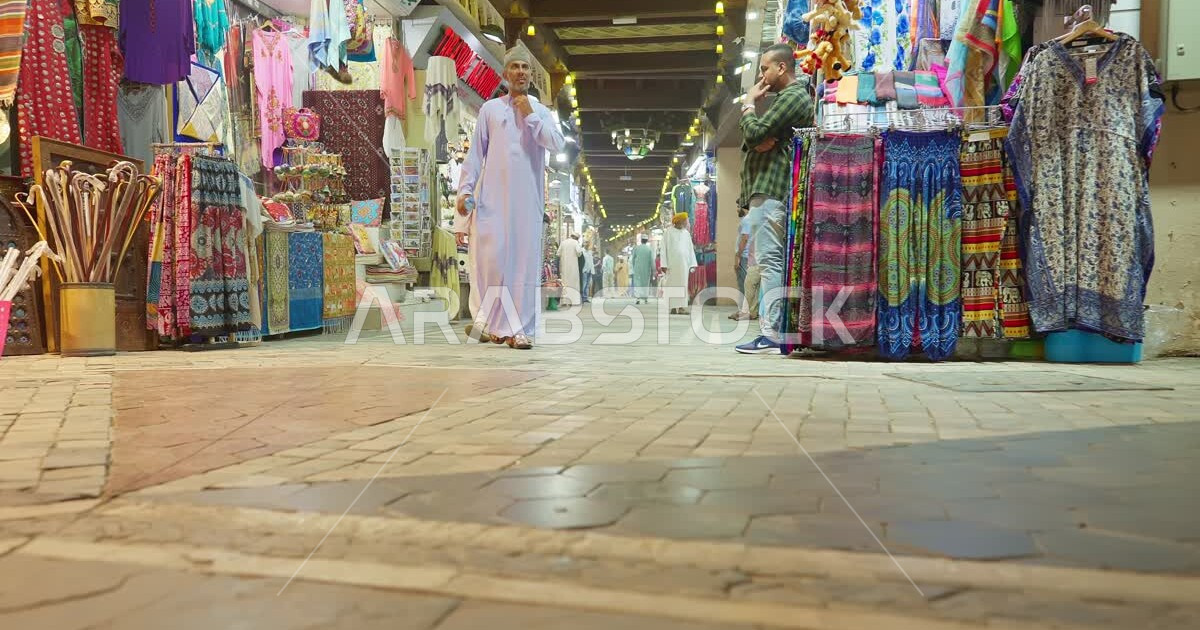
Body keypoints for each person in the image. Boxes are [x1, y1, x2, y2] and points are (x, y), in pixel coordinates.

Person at [454, 46, 565, 350]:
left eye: (525, 68)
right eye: (514, 67)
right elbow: (475, 155)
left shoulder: (540, 112)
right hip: (491, 201)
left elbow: (555, 143)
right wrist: (465, 191)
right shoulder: (490, 110)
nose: (520, 72)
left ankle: (520, 329)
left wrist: (530, 116)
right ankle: (489, 324)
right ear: (505, 74)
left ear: (531, 75)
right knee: (490, 260)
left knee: (523, 266)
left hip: (527, 204)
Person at [735, 43, 814, 355]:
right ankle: (774, 330)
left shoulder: (794, 96)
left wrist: (748, 105)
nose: (761, 74)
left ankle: (772, 333)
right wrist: (755, 136)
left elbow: (755, 134)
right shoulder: (786, 98)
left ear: (782, 68)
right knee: (770, 260)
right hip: (765, 189)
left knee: (770, 261)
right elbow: (754, 139)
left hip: (772, 188)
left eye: (765, 67)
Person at [660, 212, 698, 315]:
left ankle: (681, 307)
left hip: (684, 265)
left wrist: (693, 264)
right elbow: (663, 249)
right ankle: (672, 307)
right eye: (686, 220)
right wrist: (664, 264)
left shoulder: (686, 233)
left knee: (683, 285)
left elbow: (690, 249)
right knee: (672, 285)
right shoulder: (668, 232)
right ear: (680, 221)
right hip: (672, 265)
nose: (687, 222)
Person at [731, 205, 754, 320]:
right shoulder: (754, 218)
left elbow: (744, 238)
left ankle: (743, 311)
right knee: (746, 284)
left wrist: (738, 256)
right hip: (750, 255)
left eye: (738, 206)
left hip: (744, 256)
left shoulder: (747, 220)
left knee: (743, 284)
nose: (737, 209)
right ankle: (743, 310)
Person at [558, 233, 583, 308]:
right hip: (573, 267)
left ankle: (564, 301)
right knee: (574, 283)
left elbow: (558, 253)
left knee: (565, 284)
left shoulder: (563, 242)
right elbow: (579, 253)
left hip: (564, 267)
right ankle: (574, 301)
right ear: (576, 238)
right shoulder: (575, 243)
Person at [631, 236, 654, 305]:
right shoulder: (649, 249)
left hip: (637, 268)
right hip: (646, 269)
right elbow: (652, 260)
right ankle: (645, 299)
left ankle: (638, 298)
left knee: (638, 283)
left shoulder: (637, 248)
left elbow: (633, 259)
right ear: (646, 241)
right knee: (645, 283)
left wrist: (634, 266)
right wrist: (653, 269)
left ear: (641, 241)